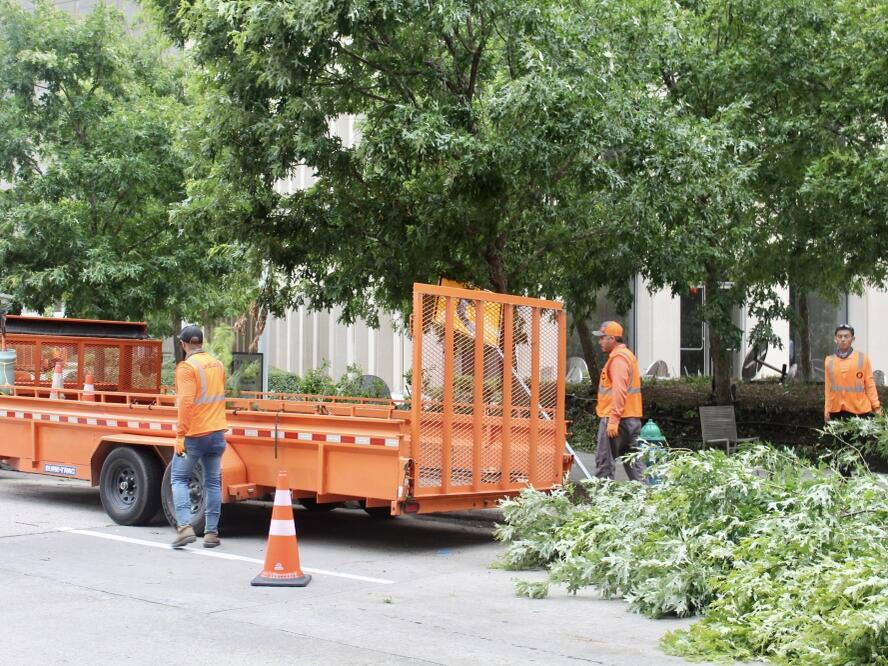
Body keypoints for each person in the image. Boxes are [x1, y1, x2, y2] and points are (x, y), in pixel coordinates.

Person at [171, 325, 228, 549]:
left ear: (183, 344)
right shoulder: (218, 364)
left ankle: (185, 527)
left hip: (195, 434)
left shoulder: (187, 368)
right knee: (212, 482)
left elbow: (186, 402)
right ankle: (211, 534)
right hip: (217, 433)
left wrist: (180, 434)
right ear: (201, 343)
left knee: (178, 478)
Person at [593, 320, 644, 481]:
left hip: (616, 420)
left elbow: (619, 390)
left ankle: (603, 500)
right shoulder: (627, 356)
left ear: (612, 339)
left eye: (602, 337)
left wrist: (613, 420)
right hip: (631, 419)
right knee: (634, 462)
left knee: (605, 463)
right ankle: (649, 499)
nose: (599, 341)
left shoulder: (618, 359)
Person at [824, 324, 881, 423]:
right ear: (835, 339)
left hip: (860, 411)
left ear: (853, 339)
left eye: (846, 336)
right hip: (837, 412)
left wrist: (876, 407)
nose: (843, 339)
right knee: (839, 439)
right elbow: (828, 389)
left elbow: (870, 385)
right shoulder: (829, 361)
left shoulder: (862, 358)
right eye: (840, 336)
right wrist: (827, 410)